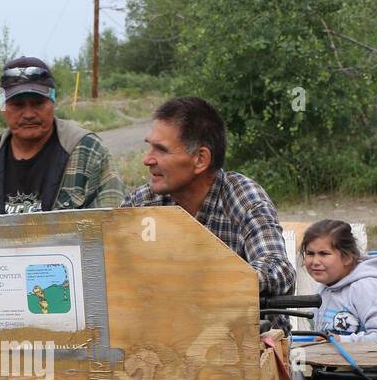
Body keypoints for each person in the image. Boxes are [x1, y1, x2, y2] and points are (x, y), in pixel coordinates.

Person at [123, 97, 294, 299]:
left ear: (200, 159)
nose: (147, 159)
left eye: (161, 150)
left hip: (246, 329)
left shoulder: (243, 198)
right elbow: (106, 261)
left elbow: (278, 267)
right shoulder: (142, 202)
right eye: (150, 147)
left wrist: (220, 281)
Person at [0, 56, 125, 216]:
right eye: (18, 105)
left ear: (53, 102)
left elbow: (114, 226)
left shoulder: (88, 152)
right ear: (2, 107)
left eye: (38, 103)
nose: (28, 114)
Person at [301, 218, 377, 343]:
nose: (315, 261)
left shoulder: (369, 288)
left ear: (347, 257)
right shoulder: (326, 287)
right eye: (310, 253)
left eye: (324, 254)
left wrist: (341, 341)